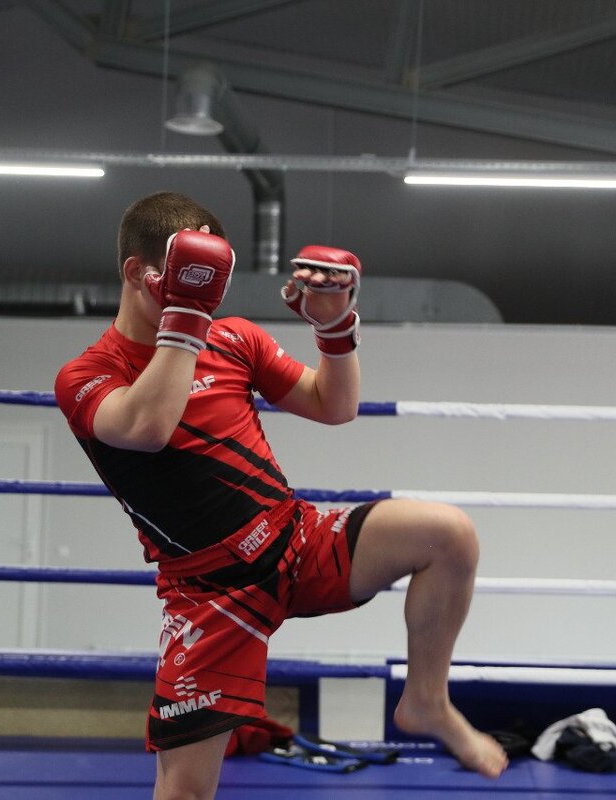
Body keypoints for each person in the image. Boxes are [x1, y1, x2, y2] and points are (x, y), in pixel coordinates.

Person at [54, 191, 507, 800]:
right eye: (191, 275)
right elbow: (145, 427)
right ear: (138, 273)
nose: (204, 290)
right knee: (185, 792)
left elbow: (335, 406)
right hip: (210, 595)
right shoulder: (88, 375)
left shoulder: (234, 339)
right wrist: (185, 318)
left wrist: (334, 326)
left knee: (449, 535)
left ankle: (426, 700)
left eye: (210, 276)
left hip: (296, 540)